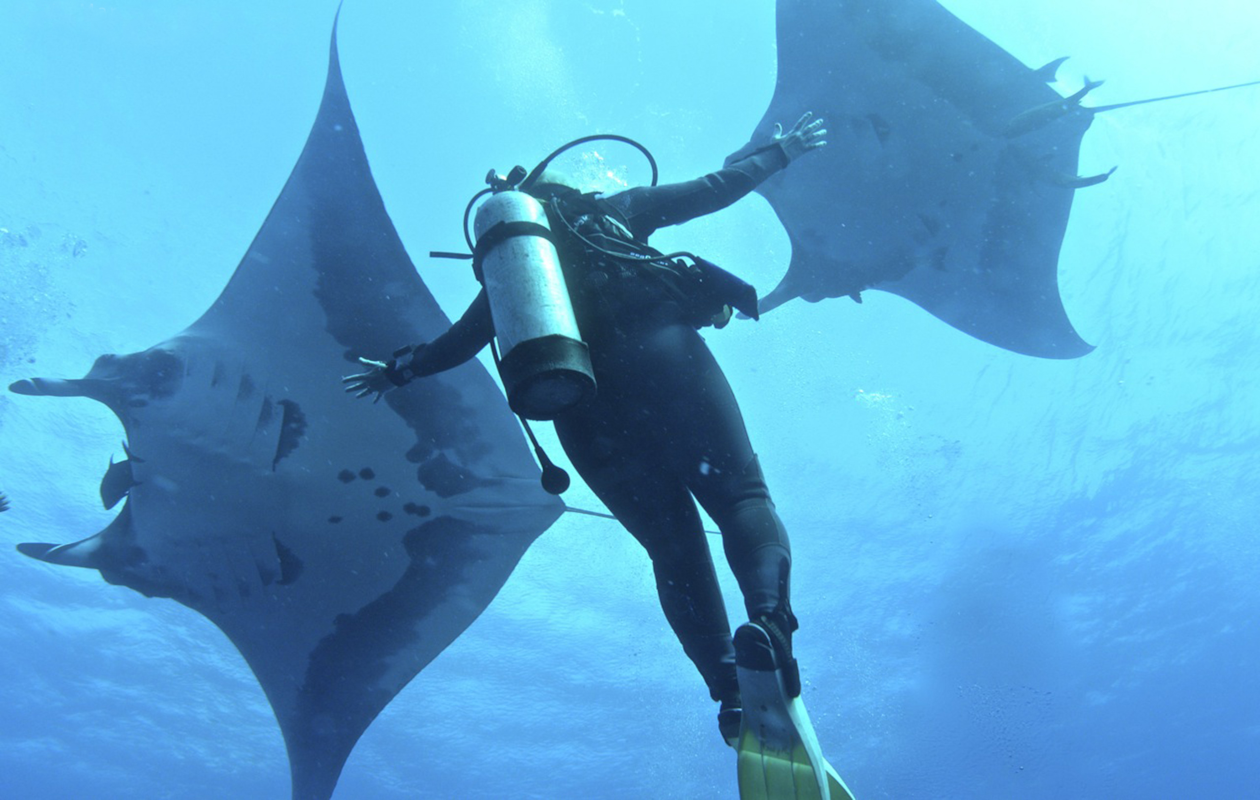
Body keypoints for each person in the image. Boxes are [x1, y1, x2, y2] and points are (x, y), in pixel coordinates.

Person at [345, 113, 833, 781]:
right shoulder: (616, 212)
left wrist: (399, 370)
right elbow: (715, 188)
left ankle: (727, 693)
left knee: (672, 546)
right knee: (741, 496)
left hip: (576, 400)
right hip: (663, 358)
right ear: (571, 190)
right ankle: (770, 625)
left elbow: (457, 346)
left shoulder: (514, 278)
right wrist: (782, 151)